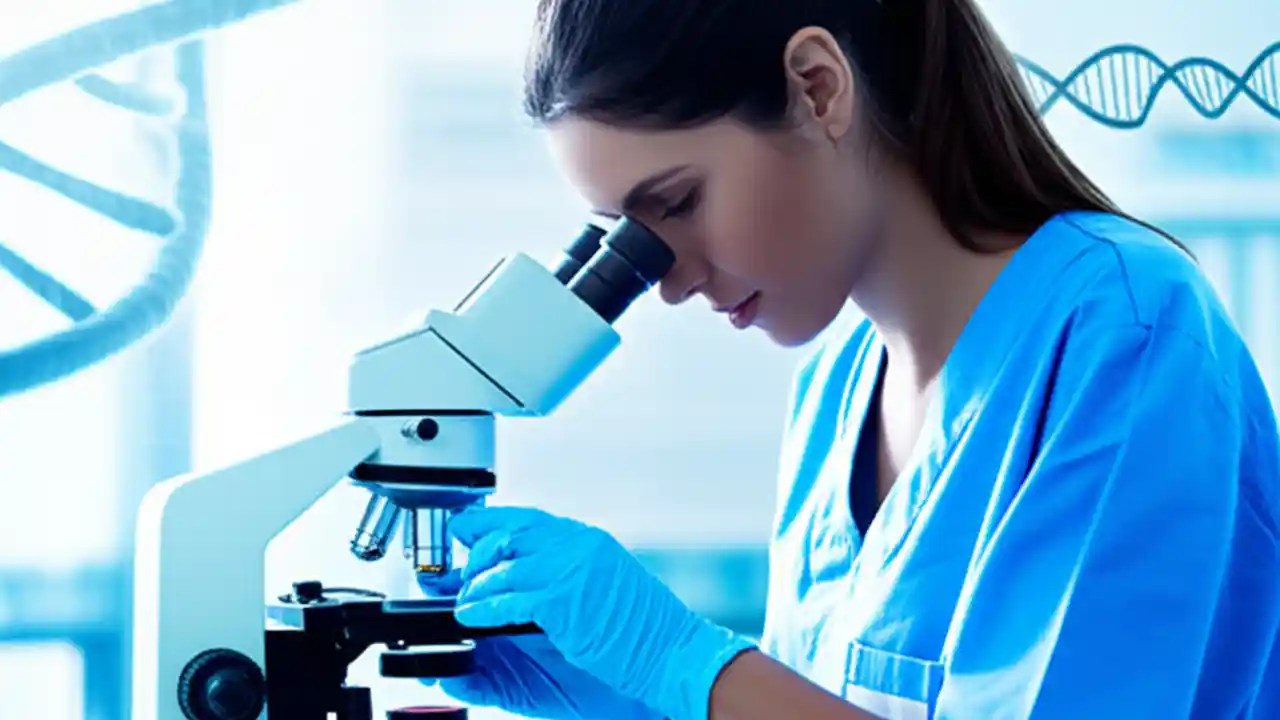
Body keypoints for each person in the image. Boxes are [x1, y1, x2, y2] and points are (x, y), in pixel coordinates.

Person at [430, 1, 1280, 718]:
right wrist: (628, 693)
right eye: (626, 238)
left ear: (817, 88)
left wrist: (677, 660)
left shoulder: (1125, 330)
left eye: (678, 203)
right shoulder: (834, 387)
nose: (671, 283)